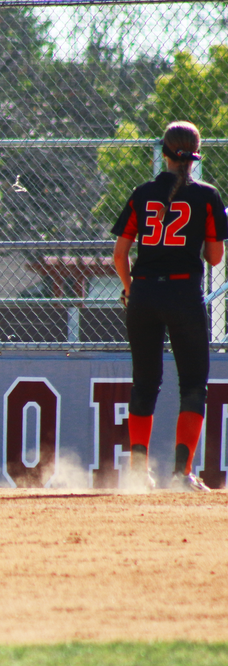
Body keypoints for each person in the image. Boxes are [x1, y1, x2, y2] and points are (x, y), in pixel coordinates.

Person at [112, 120, 228, 492]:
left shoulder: (142, 193)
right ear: (195, 157)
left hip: (144, 294)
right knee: (193, 385)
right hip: (183, 296)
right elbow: (214, 258)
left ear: (163, 153)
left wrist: (130, 288)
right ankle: (181, 474)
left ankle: (137, 472)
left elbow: (119, 253)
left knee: (145, 383)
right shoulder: (207, 195)